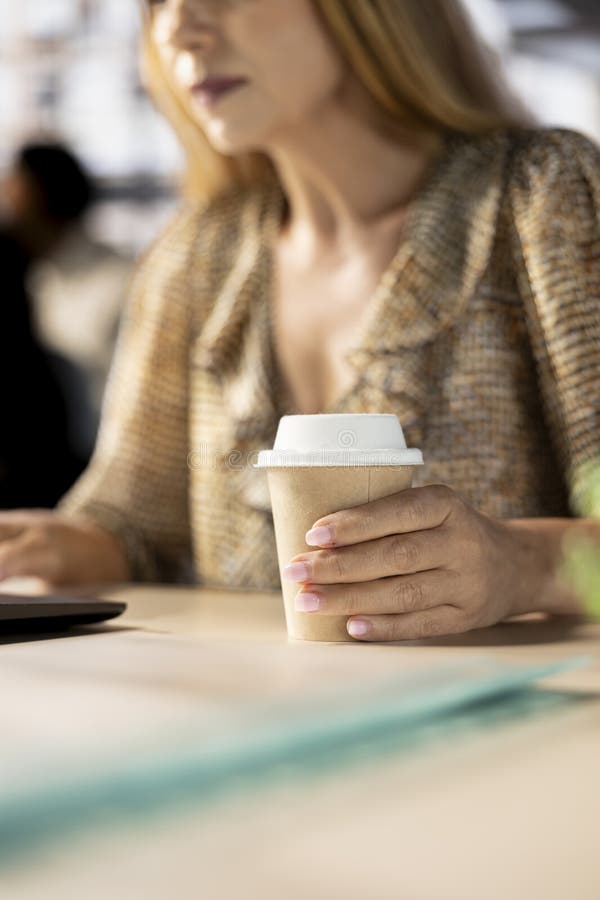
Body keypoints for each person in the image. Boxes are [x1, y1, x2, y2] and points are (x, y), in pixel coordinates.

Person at [0, 0, 598, 642]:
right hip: (259, 727)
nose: (177, 27)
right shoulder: (194, 255)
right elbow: (133, 526)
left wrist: (524, 565)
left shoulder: (541, 197)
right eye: (156, 4)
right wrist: (46, 547)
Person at [3, 142, 133, 463]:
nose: (6, 202)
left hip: (101, 460)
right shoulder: (32, 278)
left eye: (14, 189)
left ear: (42, 194)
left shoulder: (119, 281)